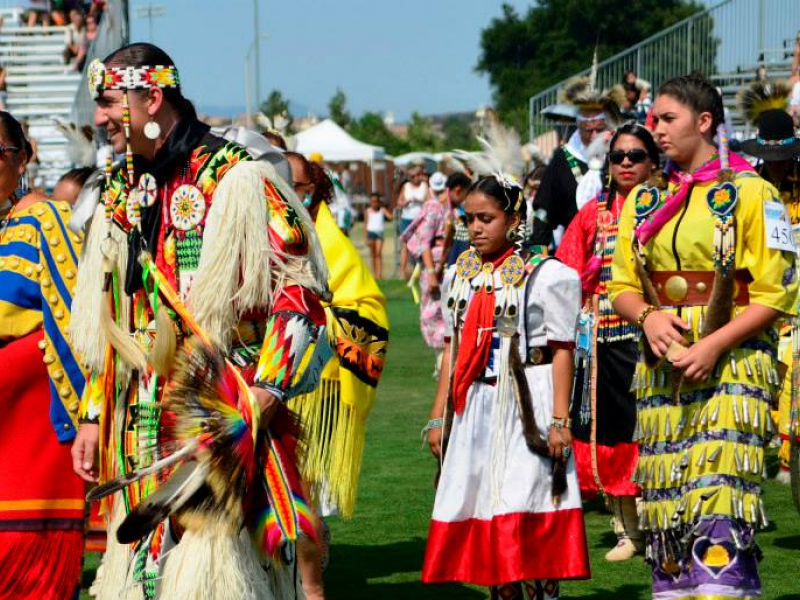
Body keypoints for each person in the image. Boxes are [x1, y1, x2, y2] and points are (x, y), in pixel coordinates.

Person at [68, 43, 330, 600]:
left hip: (217, 405)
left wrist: (268, 387)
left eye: (110, 102)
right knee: (142, 568)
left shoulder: (234, 178)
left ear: (152, 99)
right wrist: (92, 413)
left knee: (213, 570)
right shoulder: (116, 192)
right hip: (138, 414)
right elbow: (108, 319)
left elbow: (300, 288)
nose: (100, 117)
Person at [610, 74, 797, 600]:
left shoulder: (751, 192)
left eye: (667, 119)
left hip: (730, 371)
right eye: (654, 120)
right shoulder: (645, 200)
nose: (656, 130)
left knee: (718, 508)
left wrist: (713, 345)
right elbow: (620, 283)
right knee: (670, 516)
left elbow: (777, 291)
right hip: (662, 377)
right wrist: (646, 316)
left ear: (705, 121)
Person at [422, 172, 590, 598]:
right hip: (476, 406)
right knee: (486, 506)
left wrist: (559, 419)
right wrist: (437, 417)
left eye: (487, 218)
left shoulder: (548, 274)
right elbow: (453, 349)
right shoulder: (462, 274)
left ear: (513, 220)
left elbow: (562, 349)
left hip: (527, 404)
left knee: (526, 502)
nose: (475, 228)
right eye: (470, 218)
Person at [556, 122, 659, 561]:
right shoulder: (593, 212)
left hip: (655, 334)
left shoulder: (670, 205)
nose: (626, 164)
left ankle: (662, 526)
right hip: (602, 338)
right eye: (618, 156)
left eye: (636, 155)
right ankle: (626, 529)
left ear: (653, 161)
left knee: (655, 430)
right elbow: (567, 269)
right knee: (610, 433)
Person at [0, 111, 86, 599]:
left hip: (30, 430)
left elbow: (73, 321)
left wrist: (83, 420)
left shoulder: (45, 219)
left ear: (24, 157)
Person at [284, 150, 388, 520]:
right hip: (268, 375)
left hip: (318, 381)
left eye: (290, 184)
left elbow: (369, 315)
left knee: (304, 482)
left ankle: (311, 573)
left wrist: (309, 320)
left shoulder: (331, 243)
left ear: (310, 190)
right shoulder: (274, 233)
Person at [738, 79, 800, 484]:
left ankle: (789, 454)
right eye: (769, 156)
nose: (776, 164)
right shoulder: (747, 190)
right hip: (757, 297)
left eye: (783, 156)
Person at [530, 75, 624, 247]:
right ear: (579, 128)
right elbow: (545, 209)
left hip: (616, 248)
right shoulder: (562, 158)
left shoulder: (618, 154)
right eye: (588, 131)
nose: (595, 136)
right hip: (575, 249)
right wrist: (537, 252)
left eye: (599, 129)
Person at [402, 171, 448, 376]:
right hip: (435, 265)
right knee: (434, 312)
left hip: (444, 263)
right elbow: (423, 242)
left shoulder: (444, 207)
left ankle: (444, 362)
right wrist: (430, 271)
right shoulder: (433, 208)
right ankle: (441, 363)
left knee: (446, 312)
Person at [397, 166, 429, 277]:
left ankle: (419, 271)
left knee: (421, 245)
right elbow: (399, 203)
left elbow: (429, 201)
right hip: (407, 218)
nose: (415, 178)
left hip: (420, 219)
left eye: (417, 175)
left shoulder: (424, 186)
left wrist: (419, 200)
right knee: (405, 246)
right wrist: (405, 202)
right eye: (412, 176)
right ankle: (402, 272)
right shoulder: (406, 186)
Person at [441, 171, 473, 268]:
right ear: (458, 190)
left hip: (456, 263)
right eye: (466, 193)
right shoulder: (438, 208)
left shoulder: (458, 209)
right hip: (441, 265)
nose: (466, 197)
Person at [365, 192, 392, 279]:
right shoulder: (368, 211)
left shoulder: (382, 210)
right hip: (370, 233)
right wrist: (366, 237)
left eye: (376, 201)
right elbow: (365, 224)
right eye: (372, 201)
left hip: (379, 233)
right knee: (373, 255)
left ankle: (379, 274)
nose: (374, 203)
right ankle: (374, 273)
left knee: (378, 253)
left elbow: (390, 217)